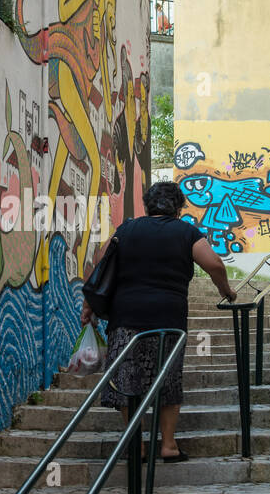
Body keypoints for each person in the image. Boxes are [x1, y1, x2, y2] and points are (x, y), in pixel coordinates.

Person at [80, 181, 236, 461]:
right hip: (168, 317)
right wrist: (226, 291)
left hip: (126, 316)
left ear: (148, 205)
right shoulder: (187, 232)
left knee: (128, 379)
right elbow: (214, 264)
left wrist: (88, 306)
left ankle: (136, 445)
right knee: (168, 377)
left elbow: (100, 266)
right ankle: (168, 445)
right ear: (178, 208)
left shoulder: (126, 230)